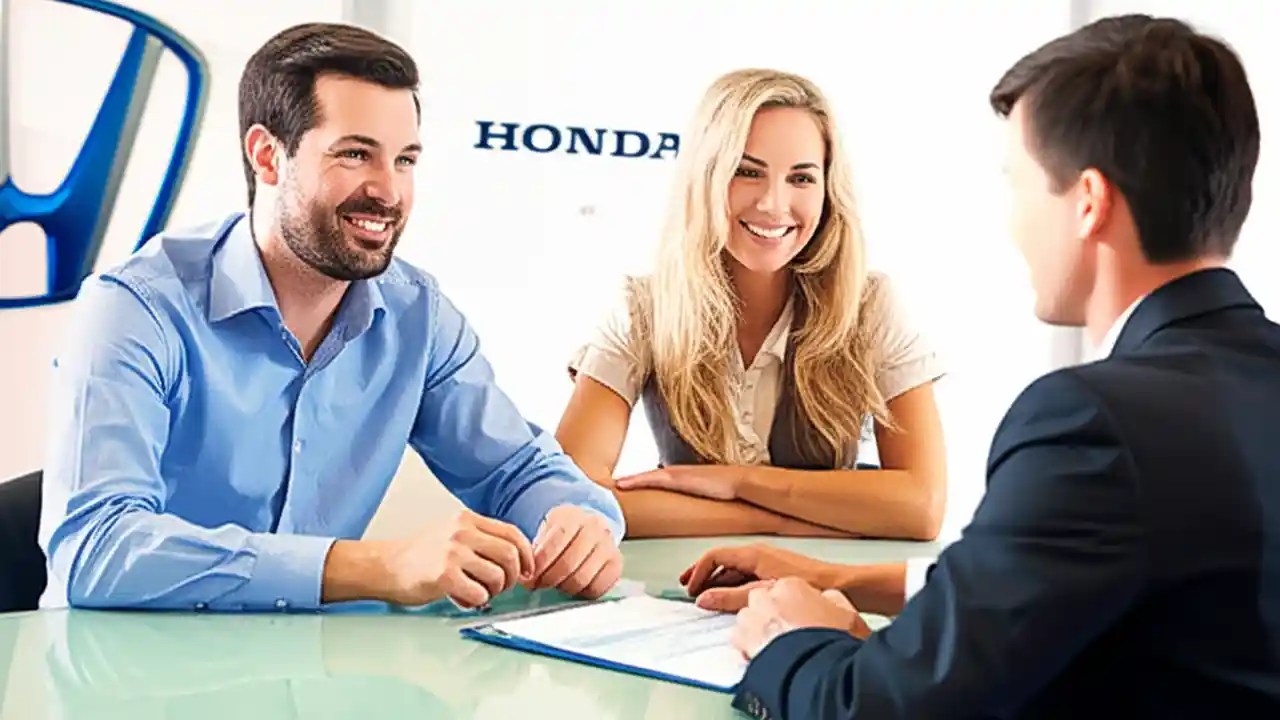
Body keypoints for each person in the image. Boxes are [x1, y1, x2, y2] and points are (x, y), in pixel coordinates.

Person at [685, 15, 1280, 718]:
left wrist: (791, 643)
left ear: (1087, 204)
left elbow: (879, 711)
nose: (1013, 221)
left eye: (1017, 182)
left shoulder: (1091, 421)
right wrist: (841, 582)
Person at [37, 23, 625, 613]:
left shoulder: (417, 315)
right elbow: (95, 548)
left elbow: (517, 467)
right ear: (268, 156)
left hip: (313, 674)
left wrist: (577, 520)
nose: (388, 192)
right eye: (354, 154)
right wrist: (373, 565)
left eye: (405, 160)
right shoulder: (134, 308)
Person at [555, 69, 947, 540]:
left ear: (827, 190)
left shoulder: (870, 305)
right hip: (684, 591)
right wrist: (774, 520)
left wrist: (736, 482)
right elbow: (574, 498)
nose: (773, 204)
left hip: (823, 584)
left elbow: (922, 508)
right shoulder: (643, 307)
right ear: (706, 176)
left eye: (801, 178)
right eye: (747, 171)